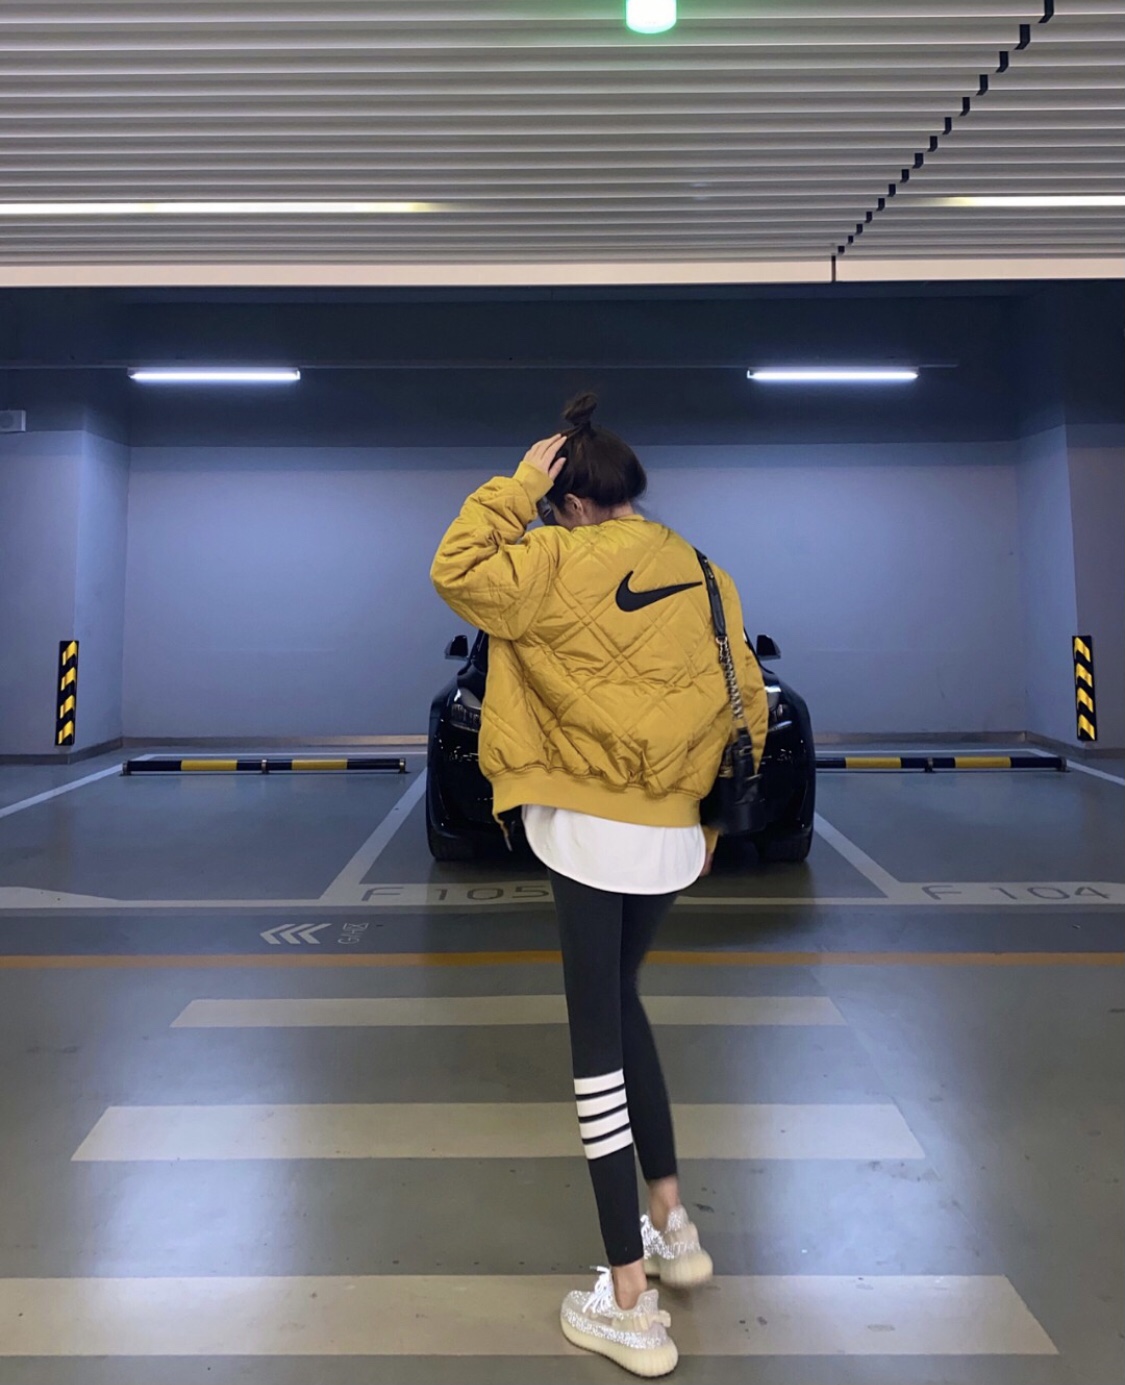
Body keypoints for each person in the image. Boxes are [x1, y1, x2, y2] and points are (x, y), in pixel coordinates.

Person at [431, 393, 768, 1377]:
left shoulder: (547, 556)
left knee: (595, 1051)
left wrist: (515, 488)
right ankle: (671, 1220)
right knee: (623, 998)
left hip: (585, 828)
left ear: (570, 501)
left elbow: (456, 569)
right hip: (671, 832)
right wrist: (710, 822)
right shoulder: (705, 570)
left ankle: (629, 1300)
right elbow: (744, 696)